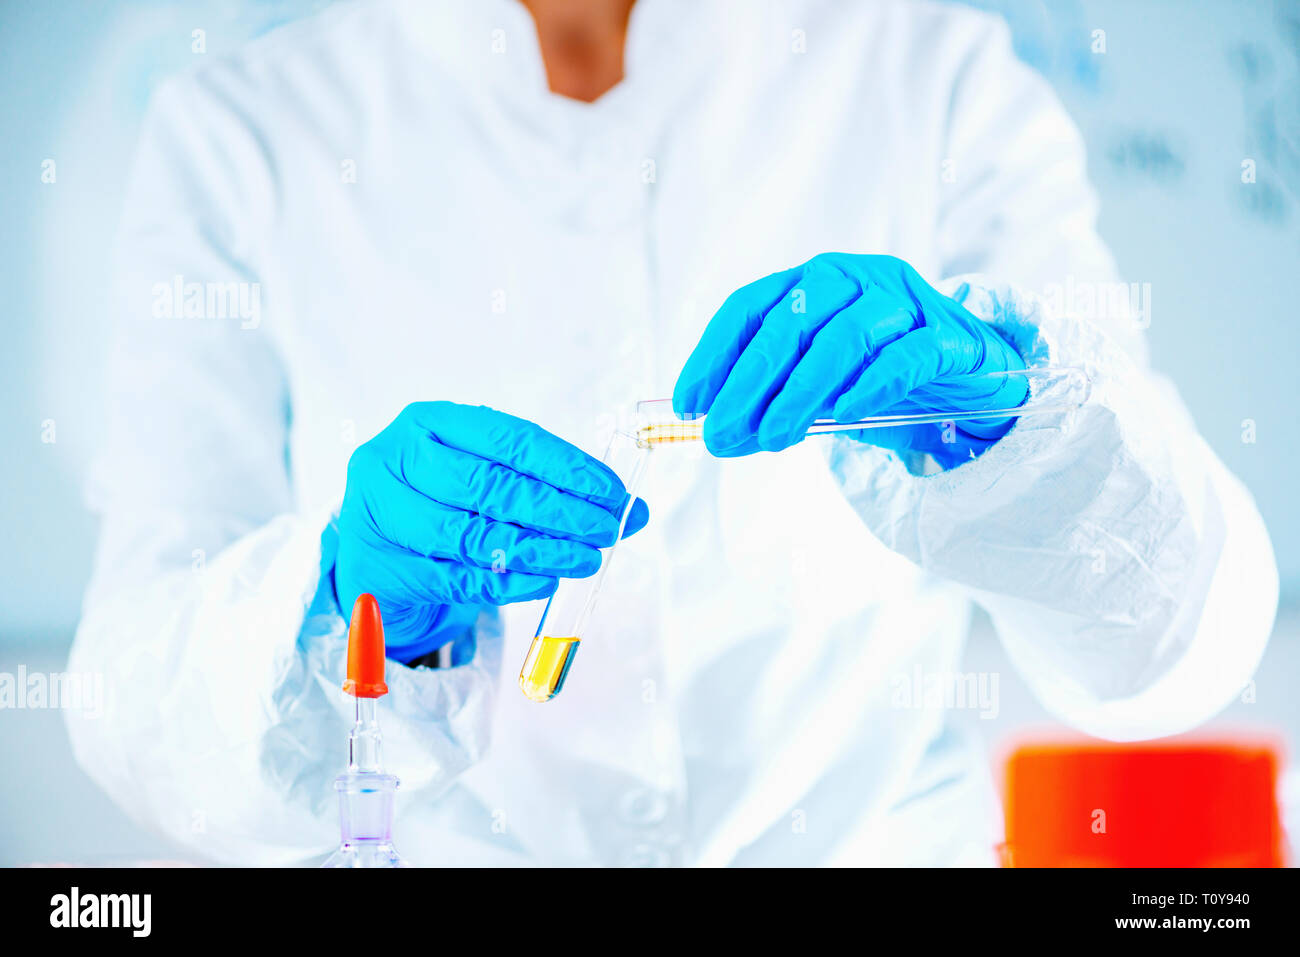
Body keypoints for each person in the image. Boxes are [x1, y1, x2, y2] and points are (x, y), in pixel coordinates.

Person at [67, 0, 1277, 866]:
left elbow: (1173, 654)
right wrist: (338, 601)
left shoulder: (931, 70)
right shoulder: (245, 128)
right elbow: (135, 699)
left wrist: (1008, 429)